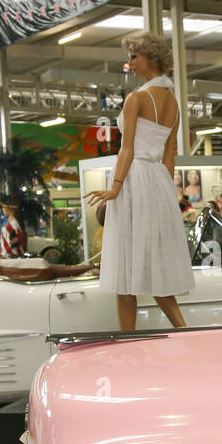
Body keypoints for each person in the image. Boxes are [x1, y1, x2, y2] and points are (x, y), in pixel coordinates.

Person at [83, 29, 194, 330]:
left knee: (124, 270)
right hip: (158, 180)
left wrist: (114, 188)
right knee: (157, 267)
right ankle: (185, 332)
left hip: (134, 180)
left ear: (151, 57)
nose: (130, 63)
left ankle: (127, 340)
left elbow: (127, 148)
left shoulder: (137, 98)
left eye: (134, 56)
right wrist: (167, 193)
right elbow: (171, 153)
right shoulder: (173, 102)